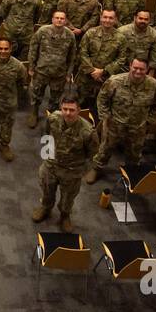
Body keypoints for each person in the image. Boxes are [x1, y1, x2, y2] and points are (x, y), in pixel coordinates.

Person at [85, 57, 156, 184]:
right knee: (105, 149)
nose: (138, 71)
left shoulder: (154, 85)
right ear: (130, 66)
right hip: (114, 124)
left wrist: (150, 120)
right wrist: (105, 117)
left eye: (142, 69)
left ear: (147, 69)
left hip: (138, 127)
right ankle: (97, 168)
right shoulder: (115, 81)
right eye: (135, 68)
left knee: (134, 154)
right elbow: (102, 99)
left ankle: (130, 174)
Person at [35, 96, 98, 232]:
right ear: (60, 108)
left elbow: (92, 155)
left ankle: (65, 216)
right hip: (51, 166)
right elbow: (46, 135)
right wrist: (47, 158)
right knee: (47, 190)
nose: (68, 113)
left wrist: (81, 171)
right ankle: (45, 208)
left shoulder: (87, 131)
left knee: (68, 197)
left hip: (71, 171)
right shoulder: (53, 119)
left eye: (72, 110)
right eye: (65, 109)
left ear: (78, 110)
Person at [26, 10, 76, 128]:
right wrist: (31, 66)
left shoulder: (70, 35)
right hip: (41, 70)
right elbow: (33, 49)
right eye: (57, 18)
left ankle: (52, 117)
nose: (59, 20)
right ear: (52, 19)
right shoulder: (42, 31)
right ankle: (34, 113)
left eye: (62, 18)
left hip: (59, 73)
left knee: (56, 98)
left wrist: (69, 73)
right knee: (36, 93)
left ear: (65, 20)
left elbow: (72, 56)